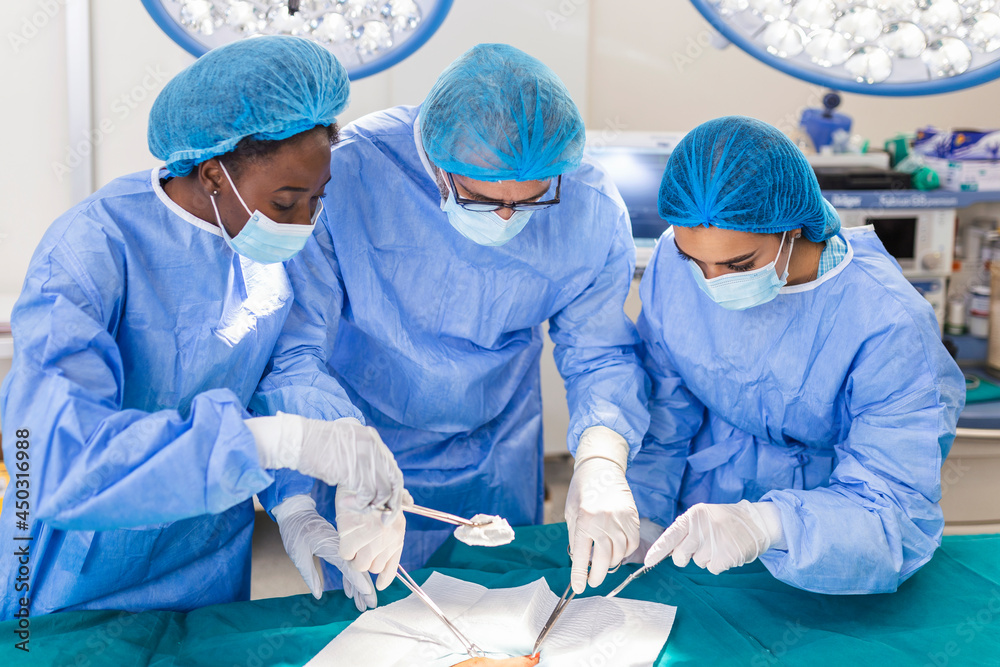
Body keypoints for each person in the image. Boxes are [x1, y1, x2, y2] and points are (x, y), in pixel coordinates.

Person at [0, 36, 405, 620]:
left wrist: (298, 498)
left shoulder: (262, 246)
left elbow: (286, 370)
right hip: (79, 570)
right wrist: (273, 441)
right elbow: (57, 457)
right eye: (286, 202)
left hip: (207, 559)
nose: (304, 223)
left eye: (317, 199)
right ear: (214, 173)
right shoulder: (91, 250)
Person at [251, 43, 650, 596]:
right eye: (482, 199)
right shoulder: (350, 173)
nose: (506, 218)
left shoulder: (589, 205)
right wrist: (328, 470)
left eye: (529, 203)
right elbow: (295, 349)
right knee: (372, 612)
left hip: (497, 445)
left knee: (501, 602)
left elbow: (599, 353)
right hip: (360, 435)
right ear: (436, 164)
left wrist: (601, 459)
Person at [628, 116, 965, 594]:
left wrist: (771, 525)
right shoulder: (673, 258)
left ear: (793, 229)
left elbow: (894, 510)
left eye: (738, 264)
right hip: (698, 516)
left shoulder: (888, 324)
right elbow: (664, 405)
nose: (711, 282)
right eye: (694, 261)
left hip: (829, 540)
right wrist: (641, 512)